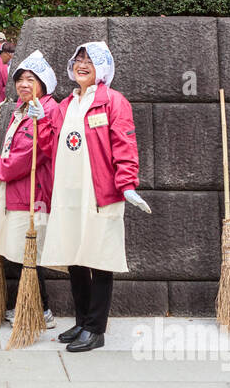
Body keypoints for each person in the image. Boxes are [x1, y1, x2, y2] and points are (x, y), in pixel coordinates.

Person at [41, 42, 151, 353]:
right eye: (78, 59)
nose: (82, 64)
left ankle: (96, 328)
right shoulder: (65, 106)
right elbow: (54, 148)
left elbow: (125, 145)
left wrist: (127, 184)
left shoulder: (114, 103)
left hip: (101, 194)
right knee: (76, 257)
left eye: (89, 60)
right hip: (69, 193)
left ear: (102, 67)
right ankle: (81, 320)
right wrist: (42, 121)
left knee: (99, 259)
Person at [0, 51, 59, 330]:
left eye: (31, 79)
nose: (24, 84)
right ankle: (30, 306)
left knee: (29, 253)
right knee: (18, 252)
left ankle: (41, 309)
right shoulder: (23, 108)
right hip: (16, 191)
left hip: (33, 193)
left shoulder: (47, 110)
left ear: (43, 82)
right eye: (19, 79)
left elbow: (31, 153)